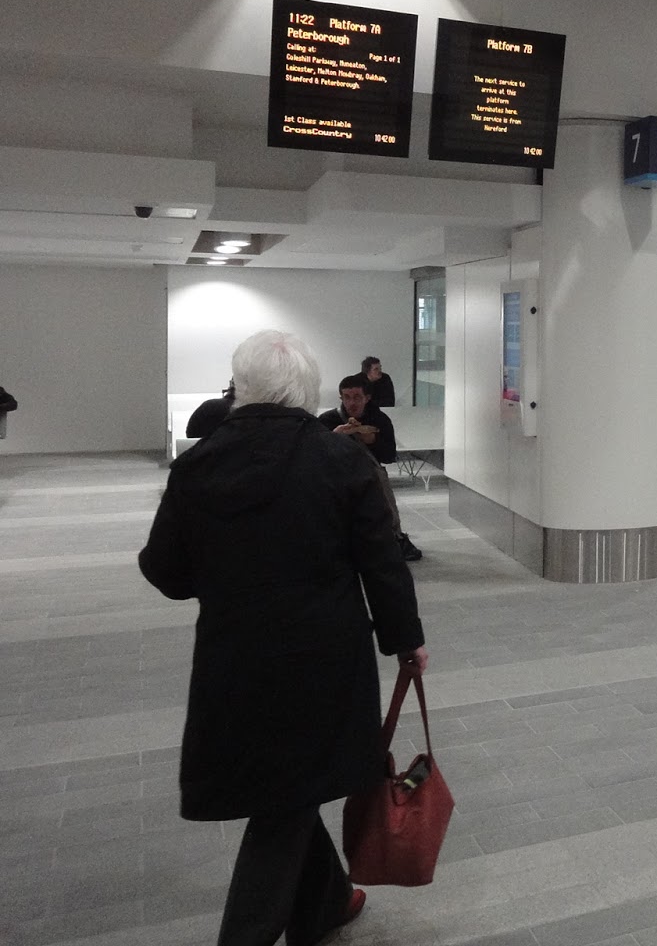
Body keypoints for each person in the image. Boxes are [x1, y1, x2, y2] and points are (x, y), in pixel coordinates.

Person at [138, 329, 427, 946]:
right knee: (291, 792)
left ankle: (324, 903)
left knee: (285, 781)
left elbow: (165, 570)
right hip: (325, 655)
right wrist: (406, 640)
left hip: (233, 653)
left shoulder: (198, 464)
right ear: (307, 388)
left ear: (242, 386)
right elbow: (382, 562)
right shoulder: (341, 460)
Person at [319, 375, 421, 561]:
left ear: (367, 398)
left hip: (368, 472)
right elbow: (316, 456)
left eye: (357, 397)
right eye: (347, 397)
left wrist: (373, 440)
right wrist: (333, 438)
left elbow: (389, 456)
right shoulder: (328, 420)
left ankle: (395, 536)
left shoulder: (379, 420)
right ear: (341, 398)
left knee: (381, 488)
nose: (352, 402)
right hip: (336, 474)